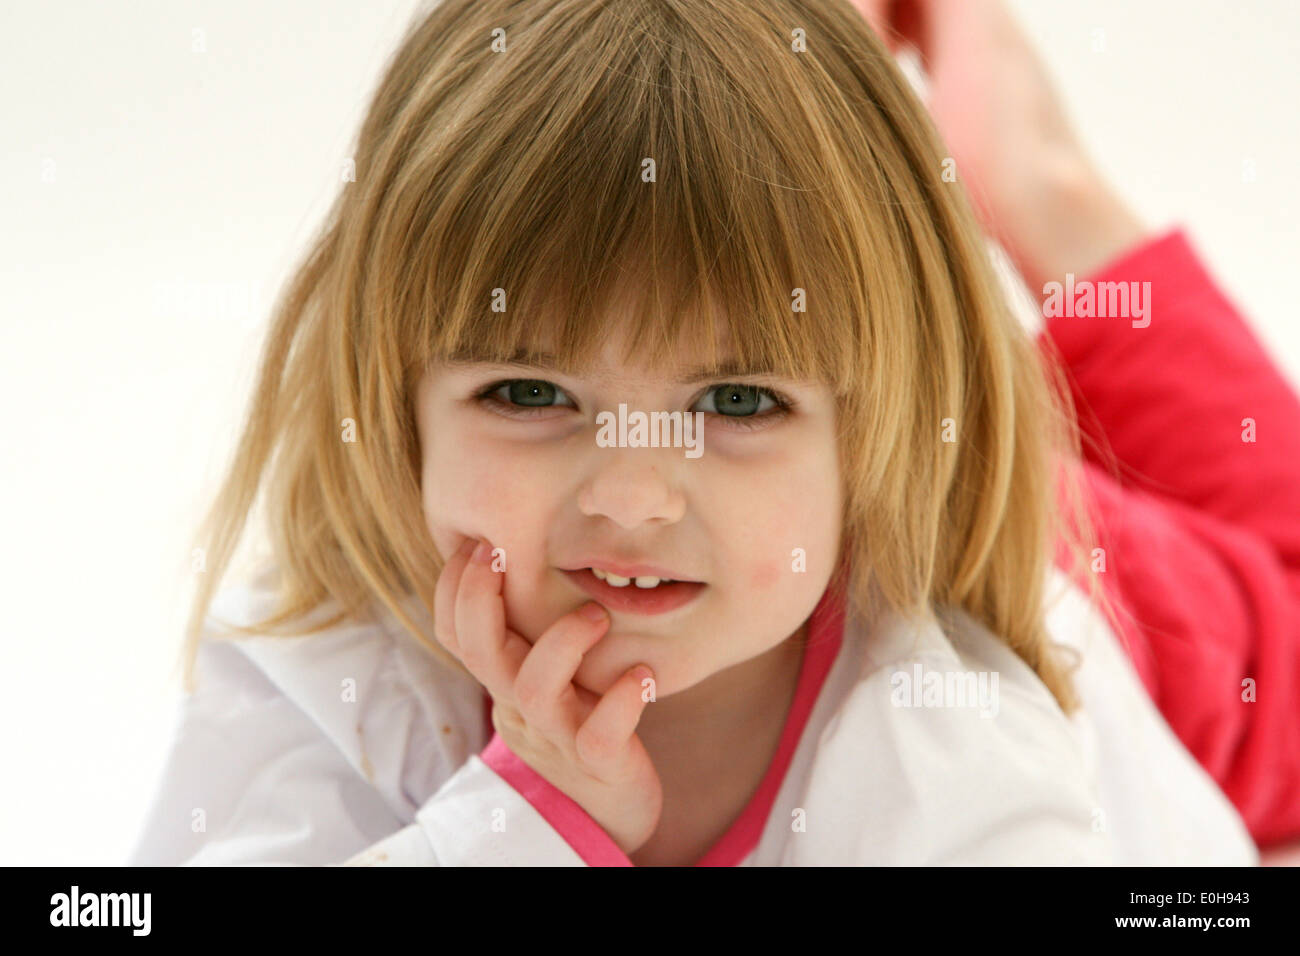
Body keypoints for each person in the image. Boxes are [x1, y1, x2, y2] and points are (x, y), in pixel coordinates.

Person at [127, 0, 1297, 866]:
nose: (632, 495)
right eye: (529, 394)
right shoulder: (333, 634)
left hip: (1088, 583)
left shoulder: (951, 742)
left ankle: (1038, 182)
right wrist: (536, 817)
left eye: (736, 401)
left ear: (874, 434)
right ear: (394, 403)